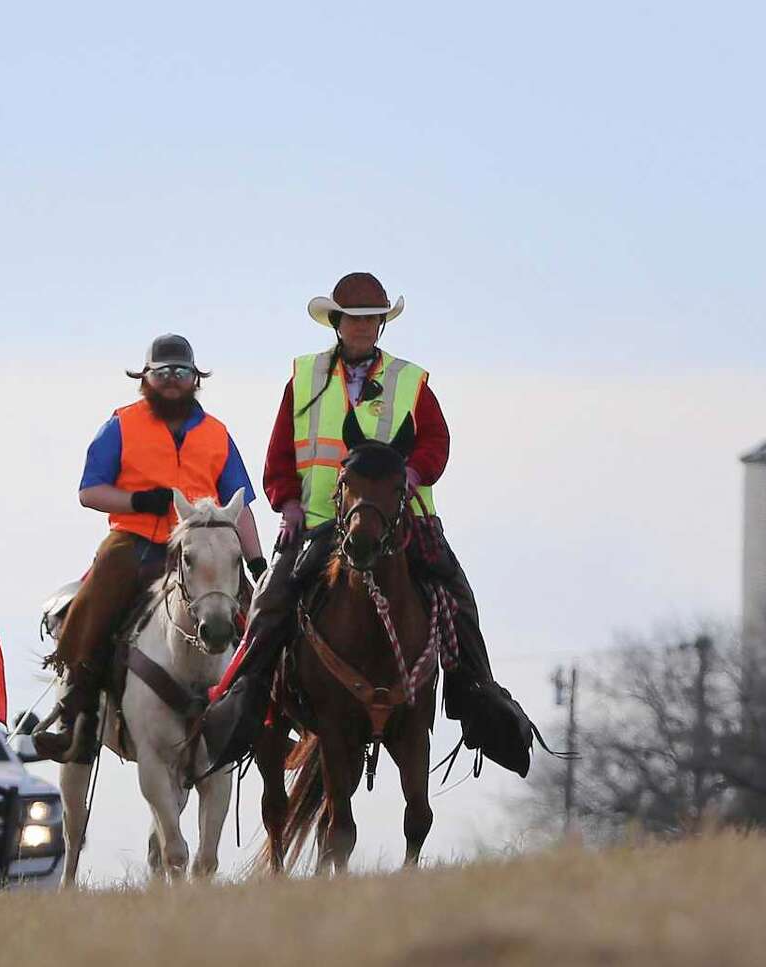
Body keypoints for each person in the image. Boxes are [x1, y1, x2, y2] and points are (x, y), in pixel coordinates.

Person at [200, 272, 536, 775]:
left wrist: (410, 474)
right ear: (337, 323)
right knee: (270, 605)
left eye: (373, 319)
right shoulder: (304, 378)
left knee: (457, 597)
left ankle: (477, 692)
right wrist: (286, 504)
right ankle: (245, 701)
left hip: (404, 522)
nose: (364, 327)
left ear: (381, 325)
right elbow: (279, 456)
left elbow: (435, 443)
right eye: (355, 319)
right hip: (319, 523)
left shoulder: (411, 380)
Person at [32, 334, 265, 763]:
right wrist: (137, 501)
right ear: (145, 378)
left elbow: (241, 504)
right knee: (95, 601)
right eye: (162, 373)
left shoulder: (217, 433)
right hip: (135, 540)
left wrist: (255, 562)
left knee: (260, 619)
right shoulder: (121, 424)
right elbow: (90, 491)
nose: (172, 380)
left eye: (182, 372)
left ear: (196, 378)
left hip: (203, 543)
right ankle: (74, 712)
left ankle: (264, 718)